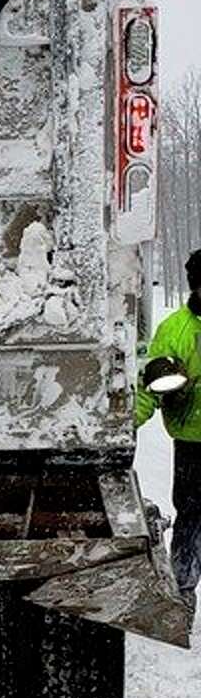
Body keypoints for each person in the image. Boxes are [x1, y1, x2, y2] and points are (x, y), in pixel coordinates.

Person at [136, 249, 201, 592]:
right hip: (192, 443)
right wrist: (127, 420)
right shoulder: (174, 330)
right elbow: (150, 387)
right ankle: (184, 589)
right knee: (191, 516)